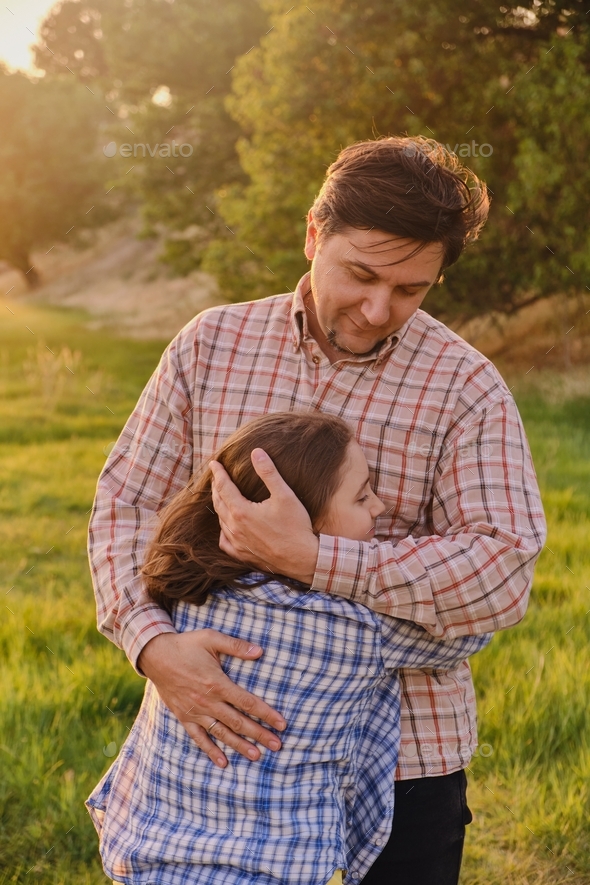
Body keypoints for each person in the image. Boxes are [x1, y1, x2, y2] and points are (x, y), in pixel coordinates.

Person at [88, 135, 547, 884]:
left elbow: (502, 569)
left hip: (405, 761)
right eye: (361, 274)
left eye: (411, 289)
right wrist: (153, 647)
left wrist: (313, 560)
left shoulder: (467, 386)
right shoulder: (211, 344)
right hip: (214, 747)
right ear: (313, 233)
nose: (377, 308)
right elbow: (126, 505)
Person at [86, 411, 492, 885]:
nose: (379, 508)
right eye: (361, 496)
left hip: (151, 852)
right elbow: (467, 629)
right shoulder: (359, 625)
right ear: (303, 525)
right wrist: (348, 569)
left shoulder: (188, 590)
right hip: (273, 868)